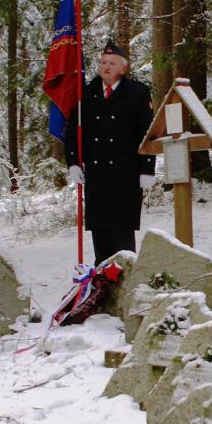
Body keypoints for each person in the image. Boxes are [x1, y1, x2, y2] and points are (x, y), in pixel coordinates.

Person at [65, 40, 156, 265]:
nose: (106, 67)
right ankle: (101, 286)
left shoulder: (138, 93)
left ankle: (125, 282)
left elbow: (146, 133)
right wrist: (74, 163)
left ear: (123, 68)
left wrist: (147, 168)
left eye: (112, 63)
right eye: (103, 62)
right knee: (101, 237)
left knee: (123, 239)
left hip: (126, 174)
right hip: (97, 175)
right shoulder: (85, 94)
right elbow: (72, 132)